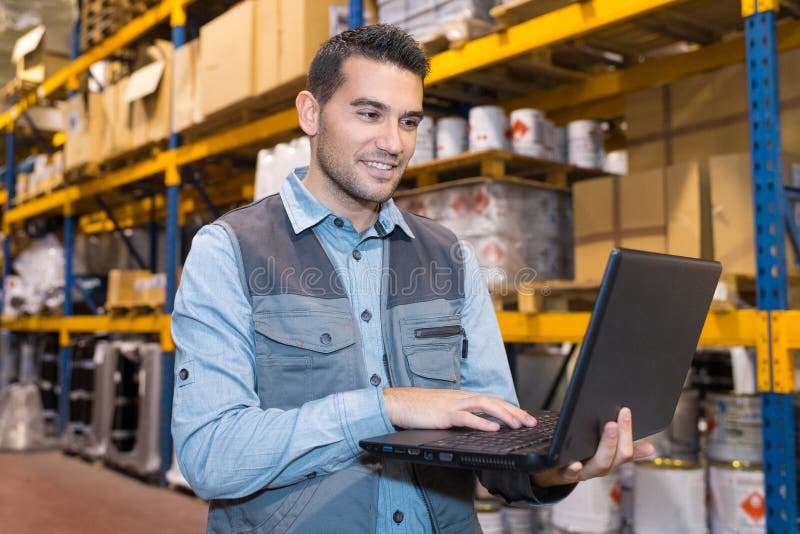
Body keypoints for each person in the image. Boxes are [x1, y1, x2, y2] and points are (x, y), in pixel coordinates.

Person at [171, 24, 653, 533]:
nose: (393, 143)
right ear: (310, 113)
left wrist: (548, 470)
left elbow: (492, 433)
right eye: (369, 113)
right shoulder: (229, 251)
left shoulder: (450, 256)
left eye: (409, 121)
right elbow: (211, 456)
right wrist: (387, 406)